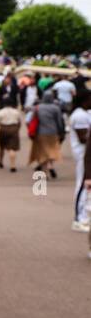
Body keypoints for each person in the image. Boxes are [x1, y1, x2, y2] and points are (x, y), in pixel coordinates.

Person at [29, 90, 65, 179]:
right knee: (52, 150)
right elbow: (59, 122)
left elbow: (32, 120)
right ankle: (50, 166)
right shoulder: (56, 108)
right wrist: (61, 132)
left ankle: (45, 172)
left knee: (43, 152)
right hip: (53, 132)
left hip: (40, 132)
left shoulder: (37, 107)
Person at [71, 92, 91, 232]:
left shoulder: (84, 113)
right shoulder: (80, 115)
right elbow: (83, 138)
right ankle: (79, 218)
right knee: (83, 184)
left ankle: (83, 216)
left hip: (85, 154)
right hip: (83, 155)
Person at [0, 102, 23, 172]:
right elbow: (19, 122)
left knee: (1, 146)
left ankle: (0, 161)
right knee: (12, 148)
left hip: (3, 128)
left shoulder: (0, 112)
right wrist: (17, 129)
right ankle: (13, 165)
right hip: (13, 128)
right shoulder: (16, 112)